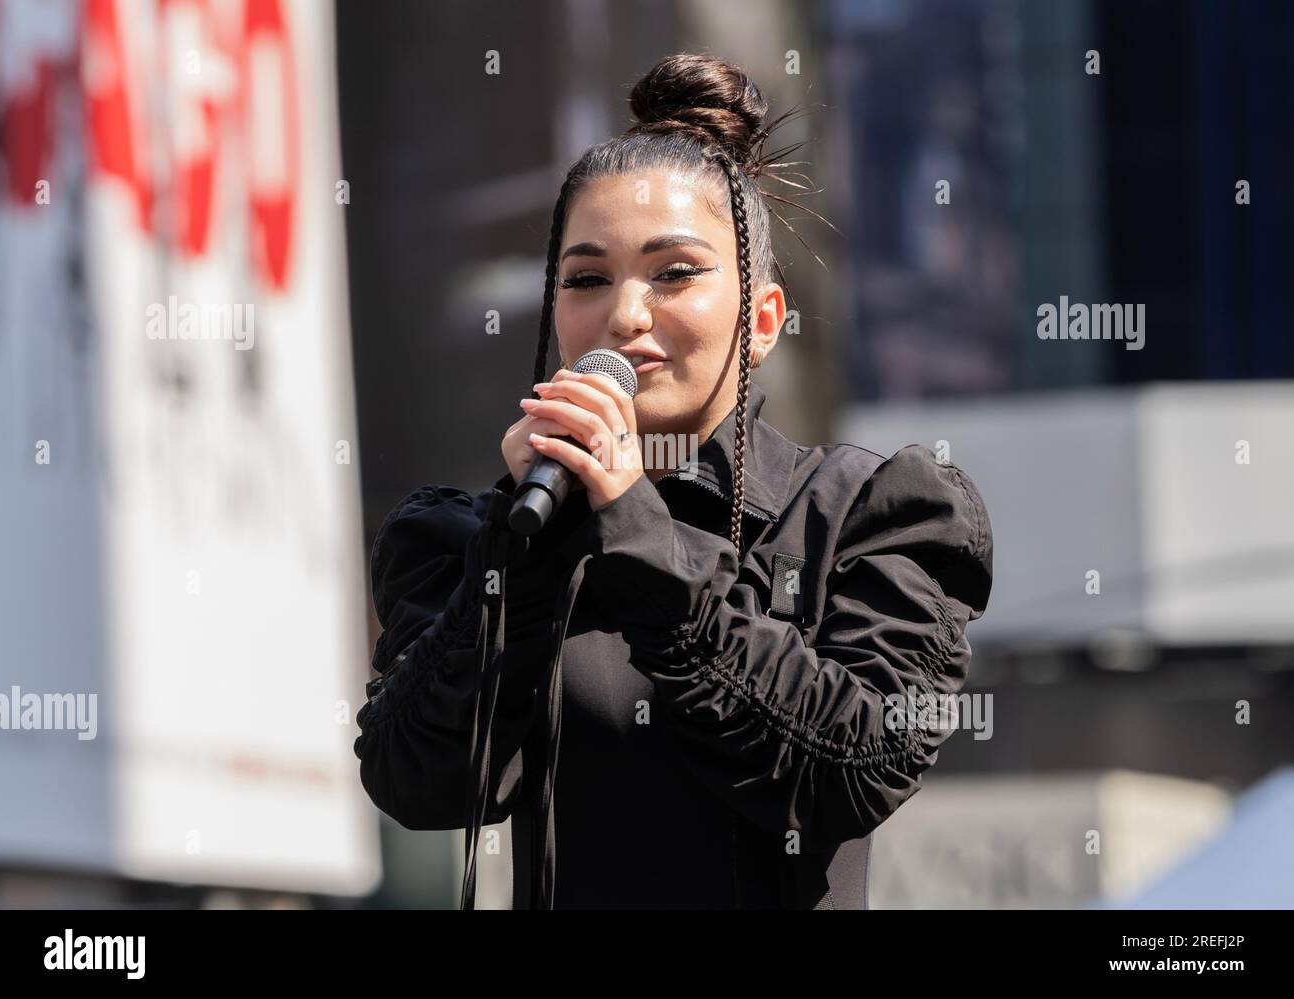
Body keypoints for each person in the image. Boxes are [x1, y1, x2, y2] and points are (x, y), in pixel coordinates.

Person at [353, 53, 994, 910]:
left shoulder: (868, 515)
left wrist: (640, 531)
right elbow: (415, 779)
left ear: (763, 318)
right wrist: (519, 557)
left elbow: (857, 766)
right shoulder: (485, 538)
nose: (624, 314)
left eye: (674, 272)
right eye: (586, 279)